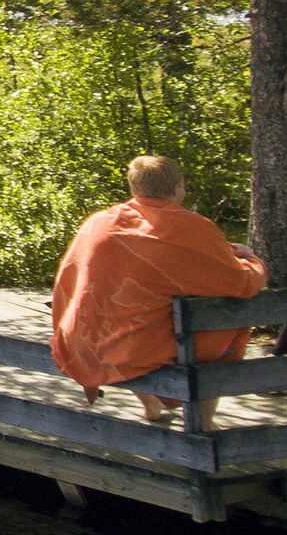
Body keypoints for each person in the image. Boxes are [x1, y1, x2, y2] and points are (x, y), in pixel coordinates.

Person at [50, 155, 266, 425]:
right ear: (177, 188)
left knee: (134, 314)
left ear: (134, 187)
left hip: (88, 342)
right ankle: (205, 421)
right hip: (140, 345)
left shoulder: (99, 222)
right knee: (225, 323)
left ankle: (150, 404)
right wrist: (251, 261)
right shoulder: (192, 226)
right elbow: (241, 283)